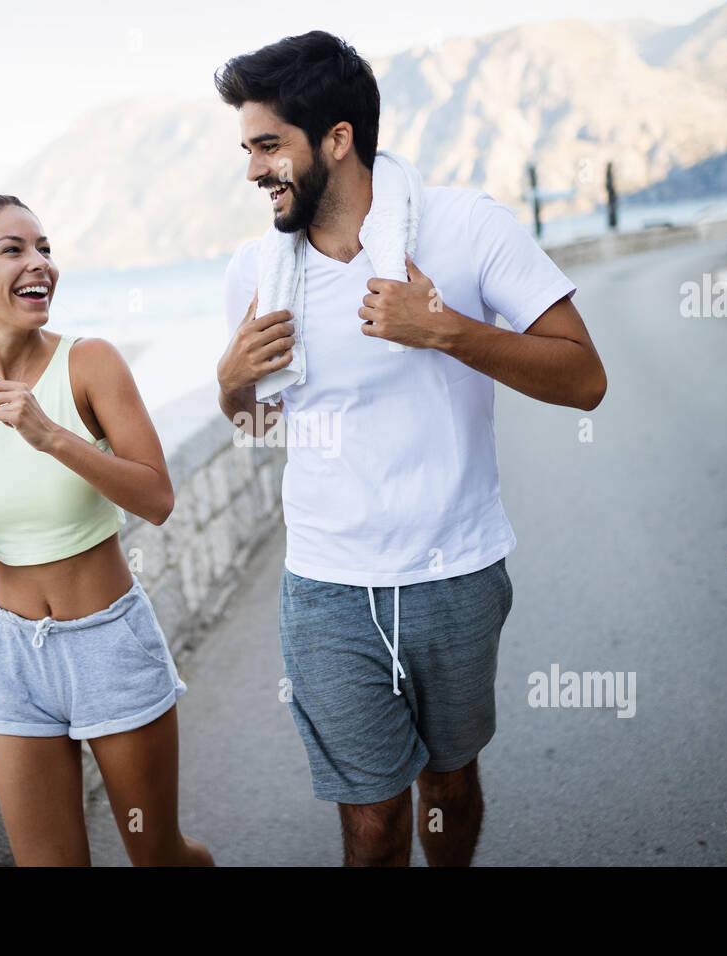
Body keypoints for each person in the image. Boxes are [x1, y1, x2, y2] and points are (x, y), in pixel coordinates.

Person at [213, 32, 607, 866]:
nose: (252, 171)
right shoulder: (253, 272)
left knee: (450, 789)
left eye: (267, 146)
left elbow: (584, 379)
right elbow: (255, 423)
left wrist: (447, 332)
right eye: (246, 149)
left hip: (456, 574)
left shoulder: (465, 228)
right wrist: (229, 384)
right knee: (371, 820)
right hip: (325, 588)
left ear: (338, 139)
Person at [0, 193, 212, 867]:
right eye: (13, 250)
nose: (38, 262)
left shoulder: (90, 362)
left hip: (108, 643)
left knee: (157, 855)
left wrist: (51, 434)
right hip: (11, 656)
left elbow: (156, 497)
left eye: (43, 248)